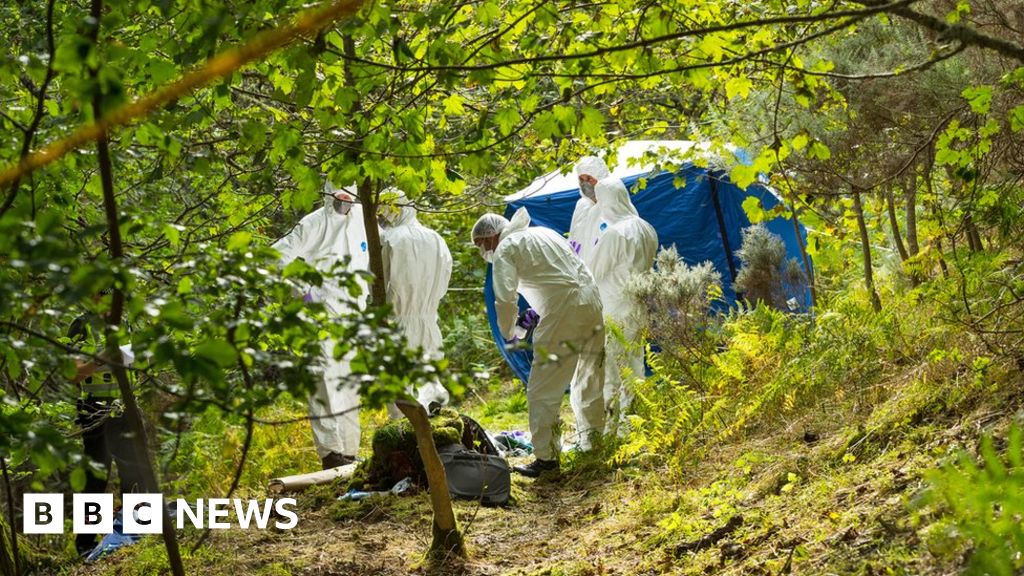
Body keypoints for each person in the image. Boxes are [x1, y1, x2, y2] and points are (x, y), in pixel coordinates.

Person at [473, 207, 605, 477]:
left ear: (491, 237)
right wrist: (535, 313)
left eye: (481, 244)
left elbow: (506, 299)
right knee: (589, 377)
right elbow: (562, 275)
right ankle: (595, 445)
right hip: (590, 303)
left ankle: (547, 460)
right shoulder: (543, 233)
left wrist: (509, 333)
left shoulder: (506, 250)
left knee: (542, 389)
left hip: (563, 311)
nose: (482, 251)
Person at [273, 181, 369, 470]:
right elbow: (277, 256)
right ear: (328, 192)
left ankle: (350, 453)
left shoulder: (362, 219)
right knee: (324, 381)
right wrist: (304, 292)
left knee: (349, 383)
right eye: (340, 197)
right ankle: (331, 453)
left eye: (350, 197)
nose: (345, 202)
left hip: (353, 315)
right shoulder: (314, 223)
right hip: (322, 313)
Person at [67, 294, 145, 556]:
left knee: (134, 470)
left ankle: (133, 532)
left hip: (125, 406)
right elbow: (73, 373)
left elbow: (137, 360)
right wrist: (100, 359)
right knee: (96, 476)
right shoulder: (80, 326)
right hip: (93, 408)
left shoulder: (124, 323)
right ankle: (86, 544)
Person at [590, 177, 658, 435]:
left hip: (614, 309)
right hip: (638, 307)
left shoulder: (614, 233)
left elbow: (593, 272)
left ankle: (615, 434)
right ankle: (636, 427)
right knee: (635, 366)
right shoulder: (646, 228)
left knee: (613, 372)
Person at [377, 189, 453, 415]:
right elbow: (445, 279)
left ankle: (404, 436)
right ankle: (434, 428)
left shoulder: (390, 239)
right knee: (429, 377)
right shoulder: (436, 239)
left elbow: (379, 280)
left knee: (398, 386)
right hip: (429, 320)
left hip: (398, 319)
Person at [569, 156, 610, 271]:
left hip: (605, 272)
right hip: (582, 274)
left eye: (589, 178)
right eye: (581, 180)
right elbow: (573, 238)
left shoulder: (612, 204)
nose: (585, 183)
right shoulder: (581, 206)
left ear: (600, 177)